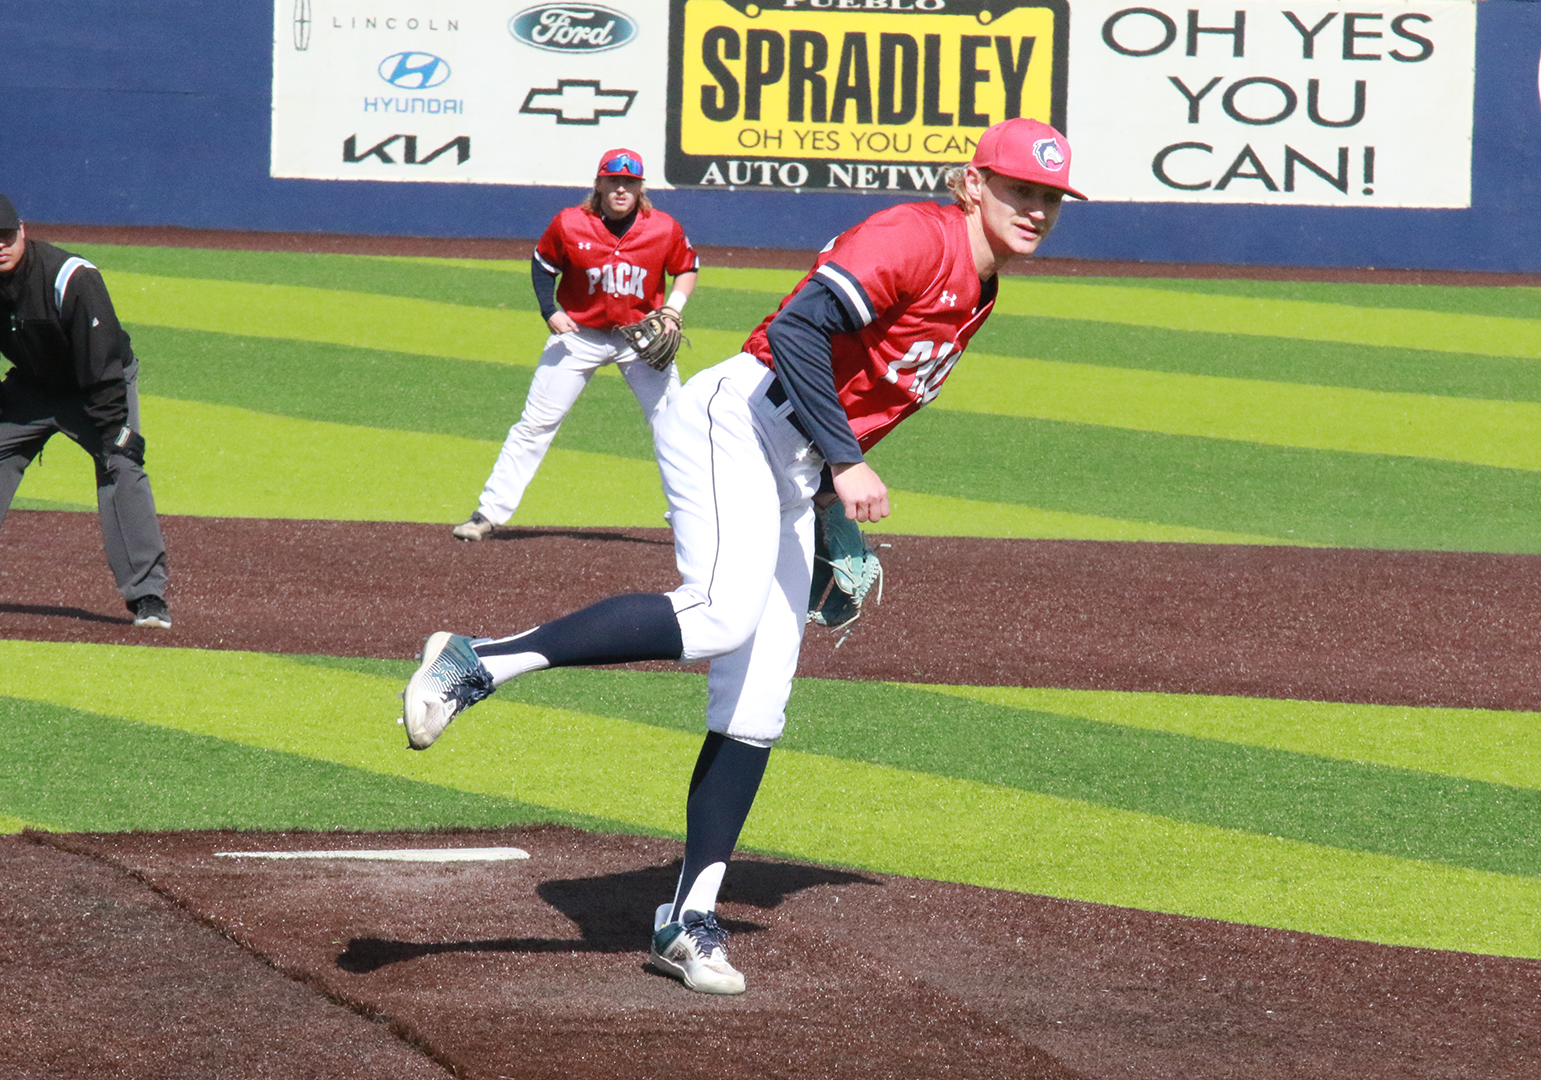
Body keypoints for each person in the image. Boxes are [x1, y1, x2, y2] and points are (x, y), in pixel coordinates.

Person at [401, 118, 1083, 994]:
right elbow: (799, 330)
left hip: (793, 466)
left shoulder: (981, 286)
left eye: (1049, 199)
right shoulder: (918, 236)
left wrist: (834, 509)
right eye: (1020, 189)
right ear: (972, 184)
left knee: (760, 700)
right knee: (719, 613)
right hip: (740, 418)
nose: (1036, 210)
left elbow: (861, 390)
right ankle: (477, 661)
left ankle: (687, 919)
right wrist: (846, 462)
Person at [0, 192, 172, 628]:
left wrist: (114, 427)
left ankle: (148, 597)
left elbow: (101, 362)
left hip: (95, 385)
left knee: (121, 460)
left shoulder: (71, 277)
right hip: (32, 388)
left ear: (22, 231)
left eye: (6, 235)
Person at [452, 147, 700, 541]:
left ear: (640, 188)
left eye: (629, 183)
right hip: (578, 336)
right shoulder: (570, 223)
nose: (621, 189)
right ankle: (488, 514)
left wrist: (672, 309)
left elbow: (686, 268)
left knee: (675, 425)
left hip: (639, 339)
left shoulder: (663, 227)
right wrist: (549, 309)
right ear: (599, 184)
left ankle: (690, 516)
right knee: (536, 423)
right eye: (613, 181)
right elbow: (542, 265)